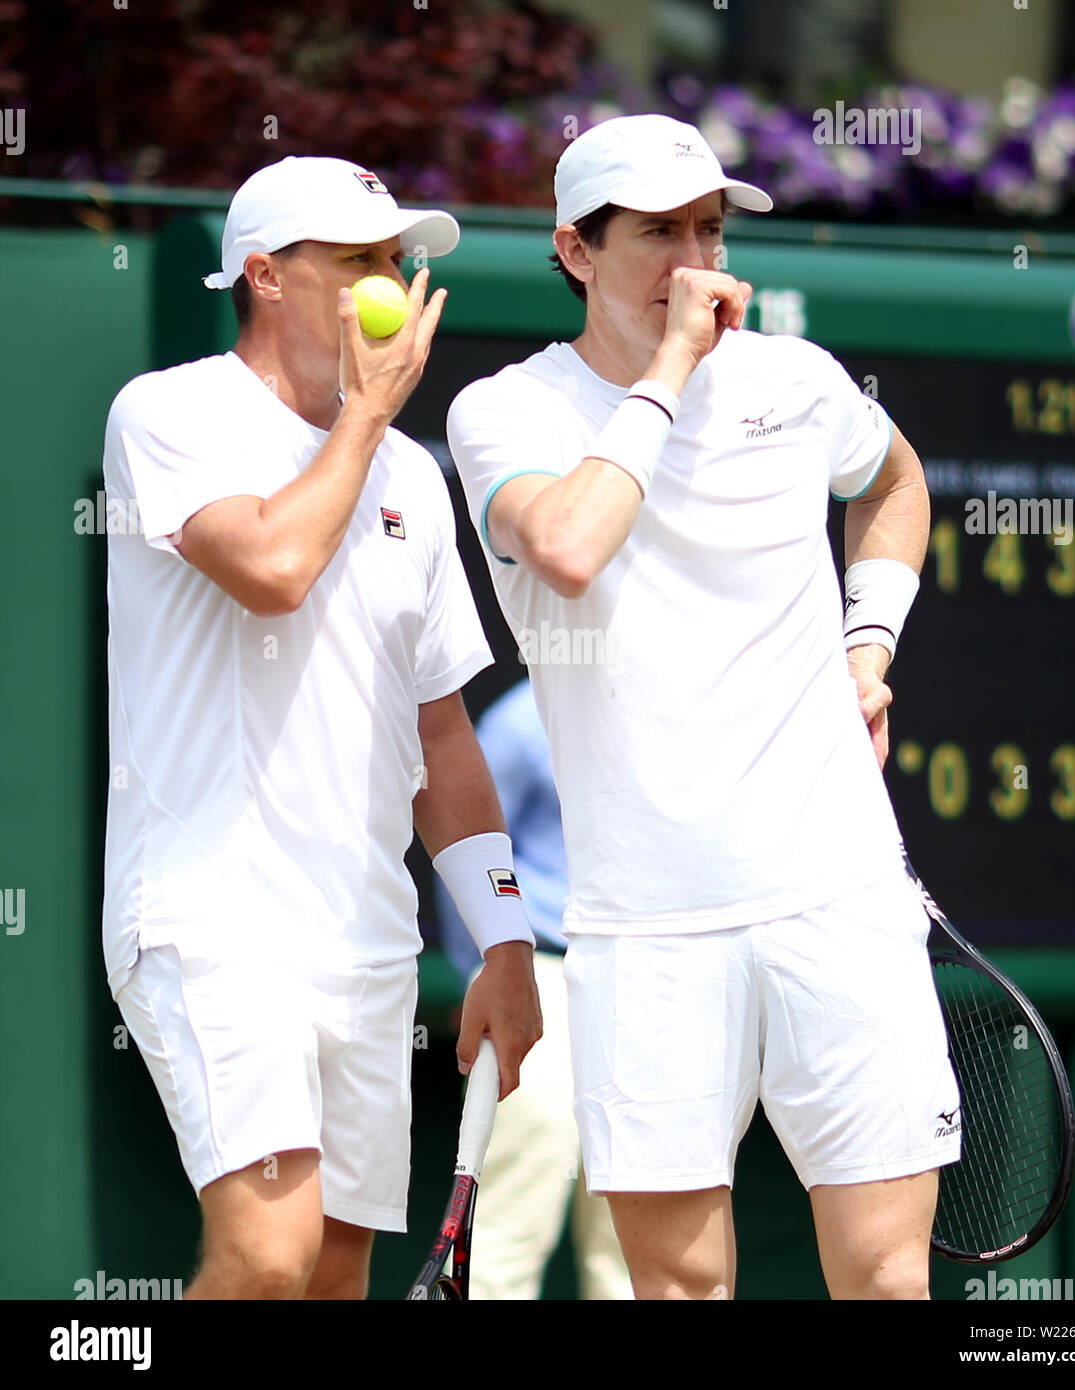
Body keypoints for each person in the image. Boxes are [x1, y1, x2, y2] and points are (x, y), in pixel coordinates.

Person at [446, 114, 960, 1301]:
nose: (696, 259)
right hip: (645, 930)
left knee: (887, 1282)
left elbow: (894, 480)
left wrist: (867, 644)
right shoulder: (504, 413)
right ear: (576, 251)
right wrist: (672, 368)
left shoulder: (795, 379)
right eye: (659, 233)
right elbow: (569, 547)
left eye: (710, 229)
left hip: (838, 898)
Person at [101, 156, 541, 1301]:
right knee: (266, 1255)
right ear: (264, 276)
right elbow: (274, 566)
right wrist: (368, 416)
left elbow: (440, 733)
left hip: (365, 937)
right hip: (207, 914)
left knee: (332, 1278)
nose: (387, 280)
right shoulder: (170, 412)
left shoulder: (412, 475)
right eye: (353, 260)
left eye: (394, 258)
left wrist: (502, 941)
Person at [435, 679, 631, 1300]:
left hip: (651, 984)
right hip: (539, 980)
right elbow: (468, 858)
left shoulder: (681, 708)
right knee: (504, 1236)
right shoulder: (521, 724)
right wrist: (492, 973)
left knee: (641, 1248)